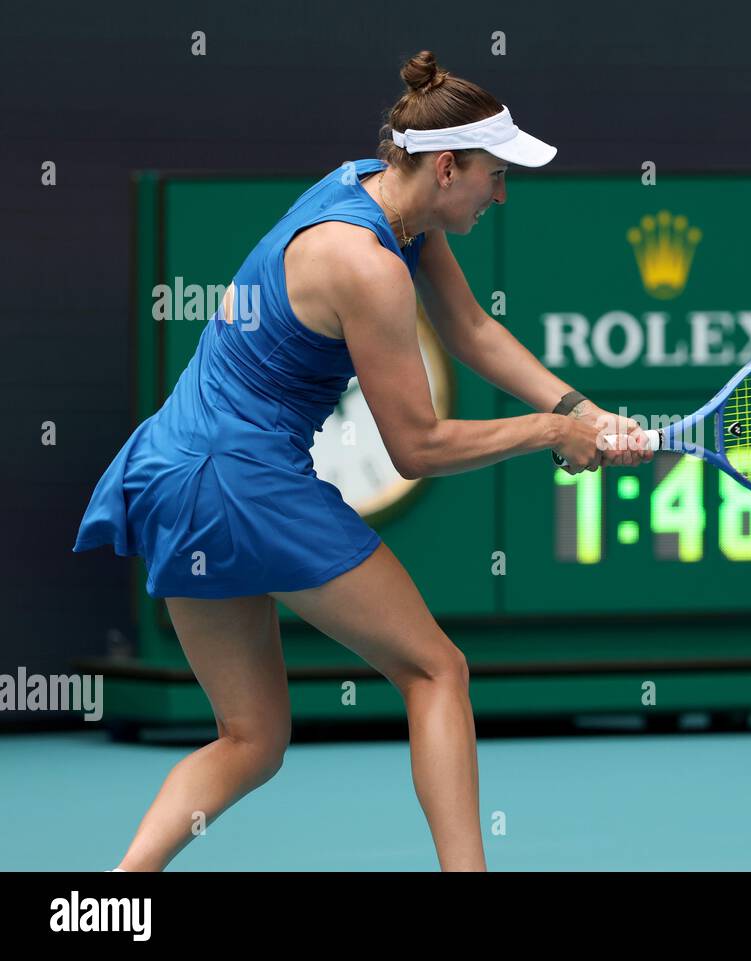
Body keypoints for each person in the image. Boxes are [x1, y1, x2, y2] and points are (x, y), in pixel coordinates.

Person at [73, 49, 652, 872]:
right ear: (447, 166)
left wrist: (580, 410)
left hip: (172, 469)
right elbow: (415, 448)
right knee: (435, 670)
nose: (502, 192)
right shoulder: (368, 266)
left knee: (252, 737)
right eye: (495, 173)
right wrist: (547, 435)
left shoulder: (372, 186)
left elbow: (472, 331)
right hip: (242, 479)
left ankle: (111, 895)